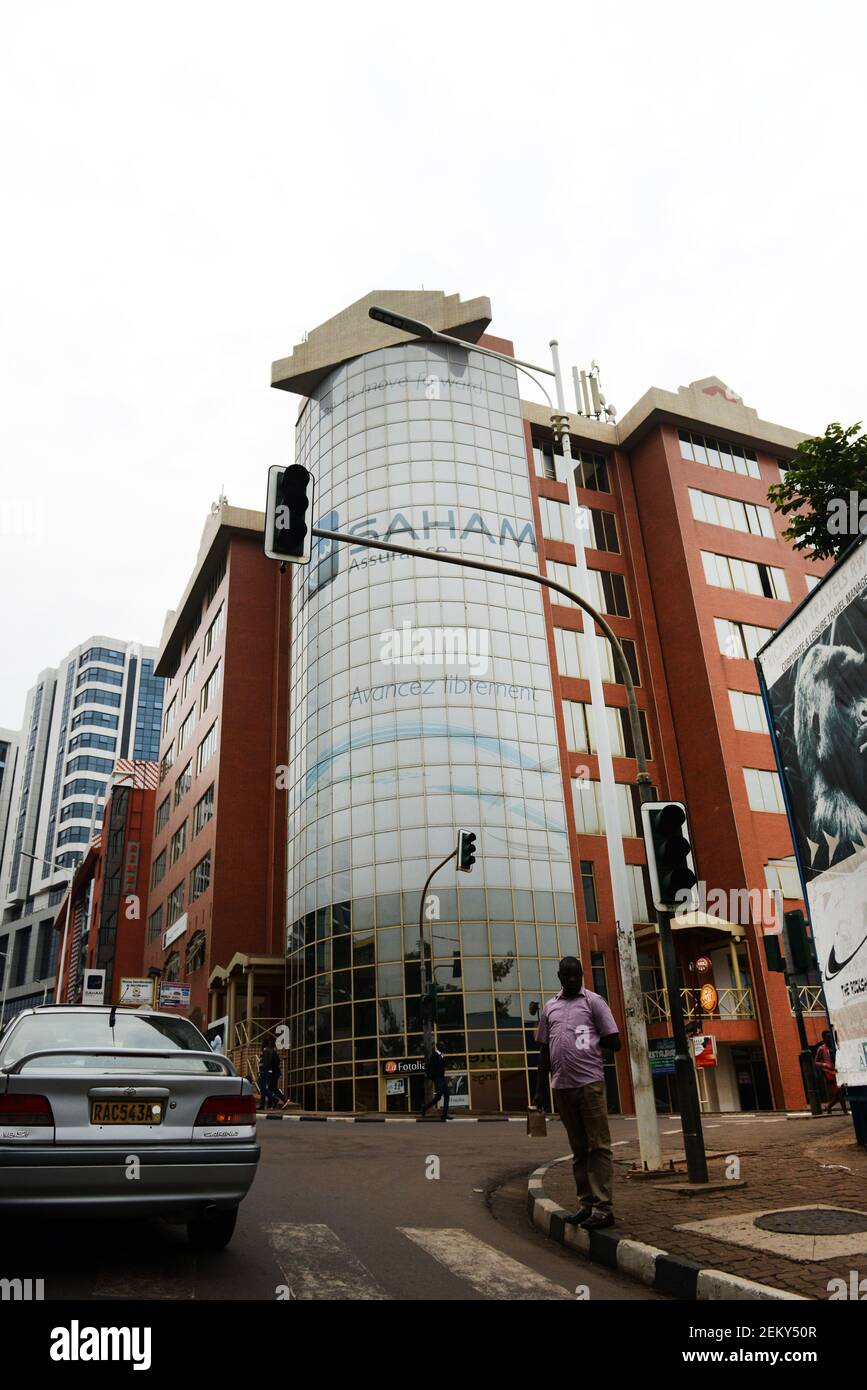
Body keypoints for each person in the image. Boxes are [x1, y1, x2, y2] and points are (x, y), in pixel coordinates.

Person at [533, 956, 620, 1231]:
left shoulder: (594, 1002)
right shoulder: (550, 1007)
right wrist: (539, 1091)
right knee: (579, 1149)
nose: (572, 979)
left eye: (576, 975)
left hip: (589, 1085)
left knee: (599, 1146)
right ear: (559, 976)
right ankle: (585, 1205)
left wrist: (588, 1039)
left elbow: (614, 1040)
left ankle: (604, 1208)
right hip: (562, 1087)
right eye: (567, 975)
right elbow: (544, 1049)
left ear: (582, 975)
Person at [815, 1030, 848, 1115]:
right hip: (829, 1074)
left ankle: (829, 1107)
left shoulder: (835, 1046)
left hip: (838, 1071)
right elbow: (816, 1062)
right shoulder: (821, 1048)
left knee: (838, 1094)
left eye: (830, 1037)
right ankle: (845, 1111)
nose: (830, 1039)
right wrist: (825, 1064)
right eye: (828, 1037)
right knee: (839, 1092)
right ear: (824, 1038)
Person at [420, 1041, 450, 1121]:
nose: (444, 1047)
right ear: (438, 1047)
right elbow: (428, 1068)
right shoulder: (434, 1055)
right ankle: (425, 1107)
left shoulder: (442, 1055)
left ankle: (444, 1115)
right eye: (442, 1046)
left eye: (444, 1046)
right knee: (439, 1096)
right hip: (438, 1078)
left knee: (446, 1095)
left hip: (442, 1078)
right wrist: (434, 1077)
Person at [259, 1036, 280, 1111]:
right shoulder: (268, 1050)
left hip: (265, 1071)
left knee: (263, 1088)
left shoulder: (266, 1050)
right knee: (263, 1088)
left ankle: (274, 1099)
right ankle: (262, 1104)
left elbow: (266, 1062)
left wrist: (264, 1070)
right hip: (266, 1071)